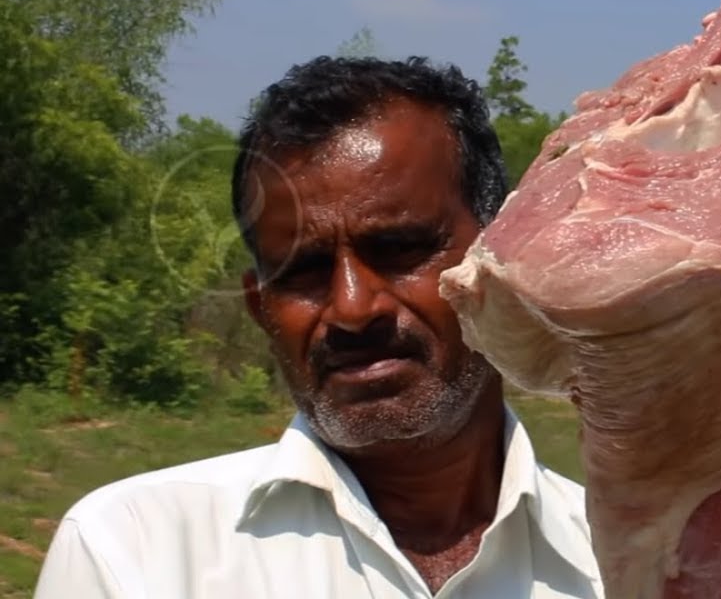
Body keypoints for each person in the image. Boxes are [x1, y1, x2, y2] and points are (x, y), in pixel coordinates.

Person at [33, 56, 604, 598]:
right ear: (261, 310)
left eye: (399, 250)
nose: (353, 309)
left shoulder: (628, 565)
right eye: (302, 271)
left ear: (501, 263)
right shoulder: (138, 553)